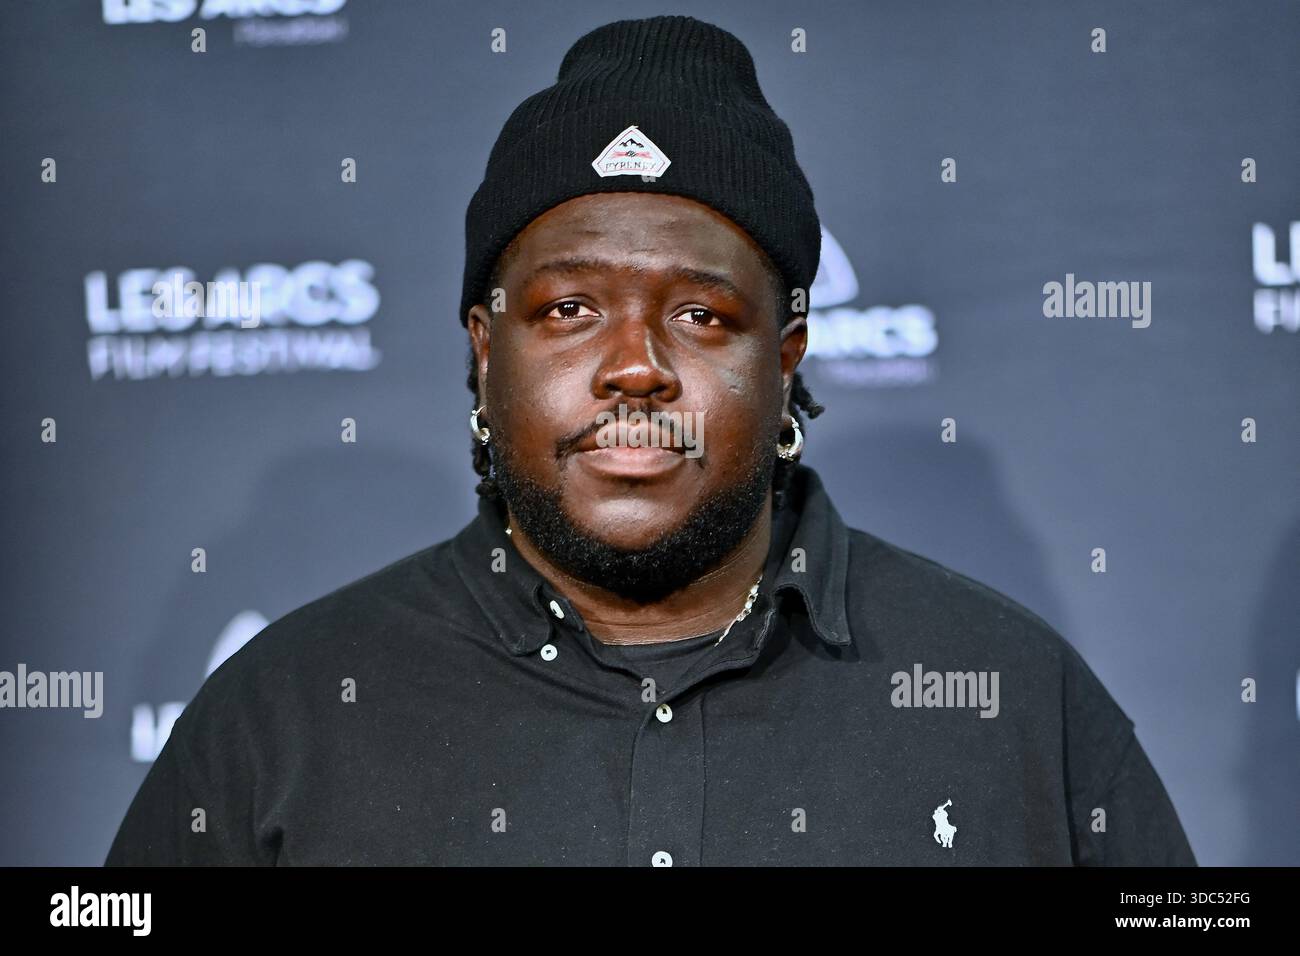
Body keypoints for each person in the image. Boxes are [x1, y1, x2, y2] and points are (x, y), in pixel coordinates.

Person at [105, 14, 1196, 867]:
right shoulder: (282, 712)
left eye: (702, 315)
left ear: (788, 361)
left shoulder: (1011, 694)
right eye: (569, 309)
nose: (635, 366)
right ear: (483, 352)